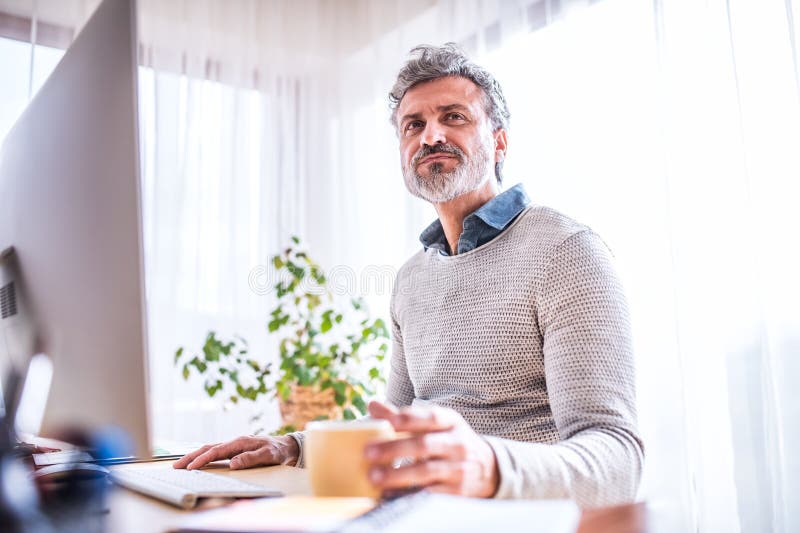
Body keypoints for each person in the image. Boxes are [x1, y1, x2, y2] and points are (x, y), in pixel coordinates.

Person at [174, 43, 644, 508]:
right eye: (413, 125)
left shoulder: (566, 251)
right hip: (419, 514)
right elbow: (394, 424)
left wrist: (489, 467)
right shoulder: (411, 278)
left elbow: (618, 460)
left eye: (454, 117)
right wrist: (295, 445)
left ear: (499, 141)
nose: (429, 136)